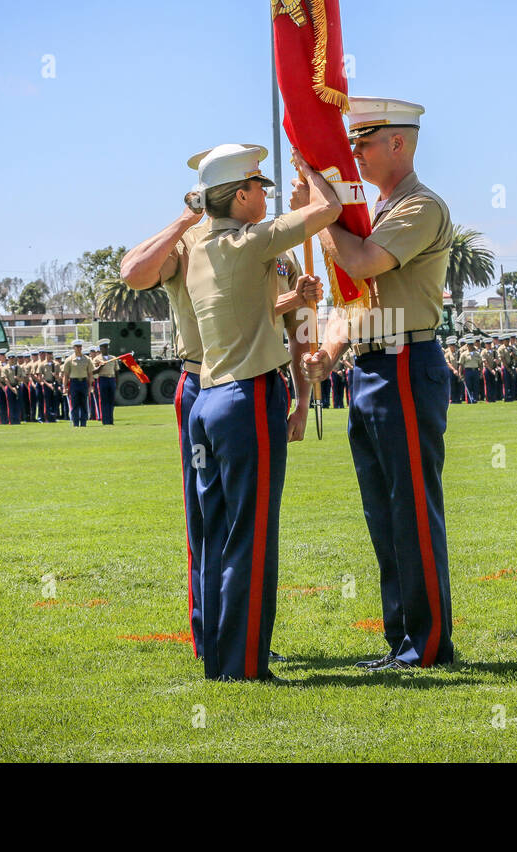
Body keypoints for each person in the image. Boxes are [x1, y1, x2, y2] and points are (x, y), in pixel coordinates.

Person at [301, 98, 456, 672]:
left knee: (411, 507)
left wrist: (320, 217)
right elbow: (353, 301)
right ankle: (402, 640)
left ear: (400, 144)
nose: (355, 153)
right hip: (370, 366)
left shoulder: (420, 206)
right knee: (383, 512)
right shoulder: (378, 210)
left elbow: (363, 264)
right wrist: (328, 353)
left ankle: (428, 643)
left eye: (364, 142)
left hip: (406, 364)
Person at [181, 142, 335, 681]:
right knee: (253, 535)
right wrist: (313, 173)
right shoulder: (249, 242)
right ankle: (245, 665)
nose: (264, 198)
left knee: (219, 532)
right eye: (258, 189)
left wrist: (293, 303)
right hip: (248, 399)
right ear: (240, 195)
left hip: (210, 399)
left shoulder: (201, 248)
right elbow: (329, 211)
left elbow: (249, 308)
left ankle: (222, 660)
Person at [60, 339, 94, 427]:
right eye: (77, 347)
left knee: (84, 404)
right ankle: (75, 423)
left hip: (83, 382)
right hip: (74, 383)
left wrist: (90, 386)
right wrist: (65, 387)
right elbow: (66, 375)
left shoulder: (87, 359)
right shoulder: (69, 360)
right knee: (74, 404)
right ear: (73, 348)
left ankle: (83, 423)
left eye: (80, 347)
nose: (79, 348)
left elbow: (90, 374)